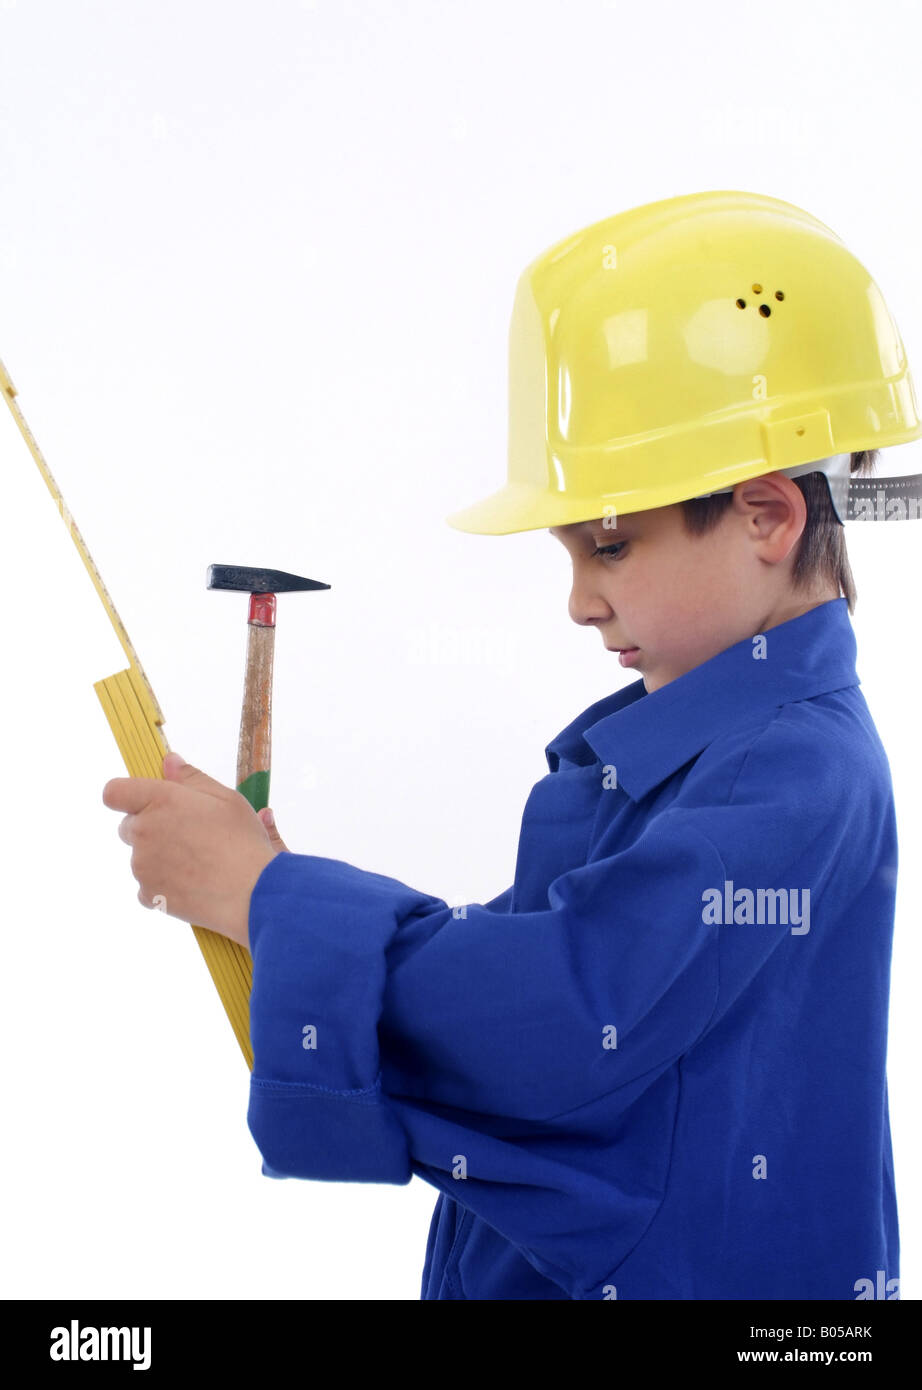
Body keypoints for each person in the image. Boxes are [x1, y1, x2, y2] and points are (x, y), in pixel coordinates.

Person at [103, 191, 922, 1299]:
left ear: (767, 517)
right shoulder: (731, 743)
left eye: (608, 545)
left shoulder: (790, 773)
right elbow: (564, 971)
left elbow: (565, 1016)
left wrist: (273, 902)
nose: (580, 600)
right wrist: (278, 900)